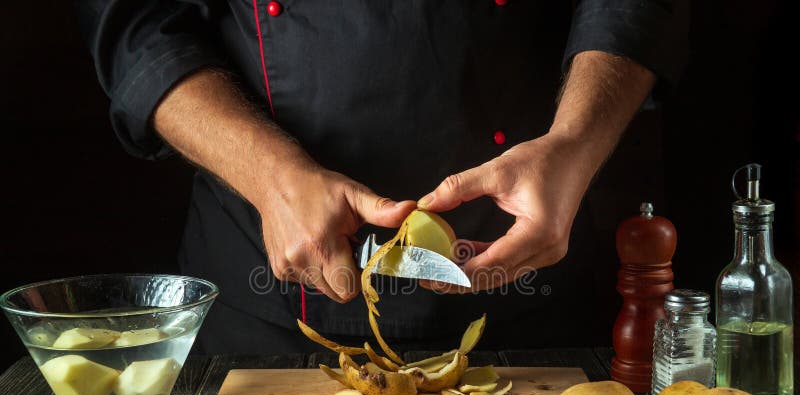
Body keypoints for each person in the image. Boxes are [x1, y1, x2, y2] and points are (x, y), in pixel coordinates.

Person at [75, 1, 688, 355]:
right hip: (268, 316)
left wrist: (574, 144)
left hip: (542, 300)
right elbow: (137, 24)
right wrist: (269, 176)